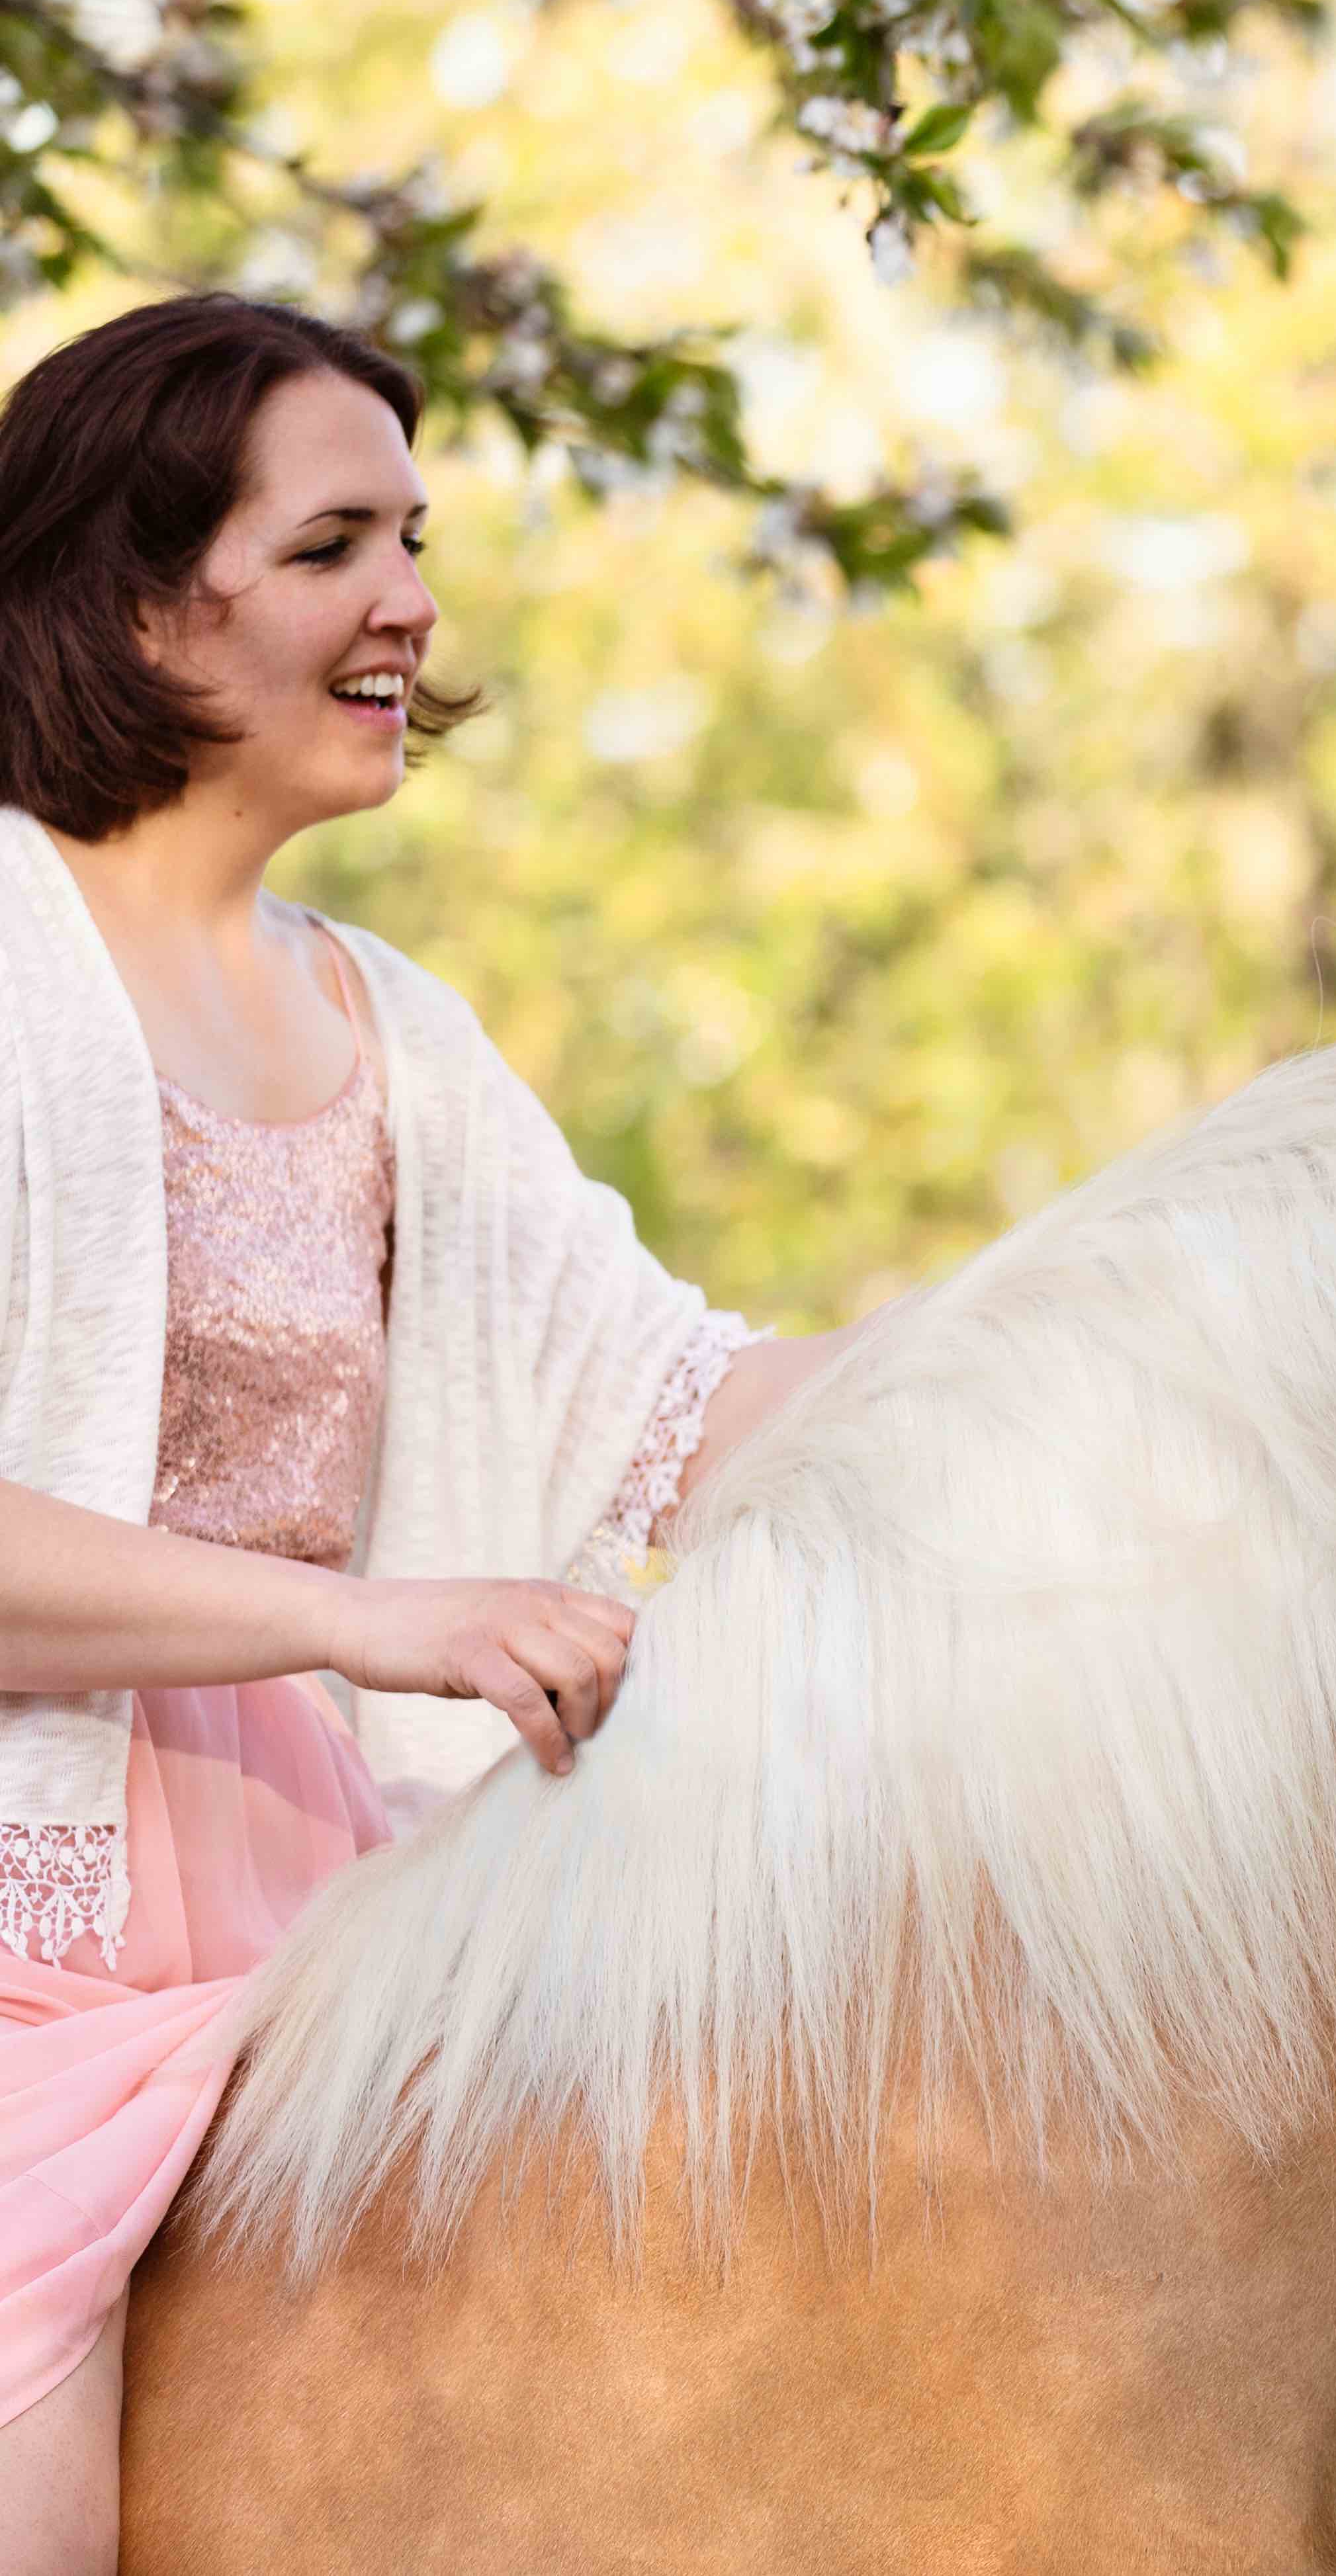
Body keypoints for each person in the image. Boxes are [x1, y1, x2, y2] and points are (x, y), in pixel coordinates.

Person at [0, 296, 867, 2571]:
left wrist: (1095, 1326)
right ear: (128, 599)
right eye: (330, 548)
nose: (408, 603)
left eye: (414, 542)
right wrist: (366, 1619)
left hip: (325, 1909)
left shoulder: (391, 1031)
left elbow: (680, 1407)